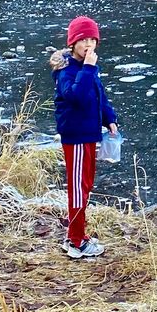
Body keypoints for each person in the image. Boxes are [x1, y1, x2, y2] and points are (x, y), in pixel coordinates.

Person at [49, 15, 119, 260]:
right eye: (83, 40)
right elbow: (76, 97)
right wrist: (88, 67)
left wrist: (109, 118)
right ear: (73, 43)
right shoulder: (66, 71)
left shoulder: (88, 69)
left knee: (86, 185)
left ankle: (77, 234)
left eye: (92, 40)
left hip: (90, 133)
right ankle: (76, 241)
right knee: (78, 189)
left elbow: (99, 95)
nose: (89, 44)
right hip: (76, 136)